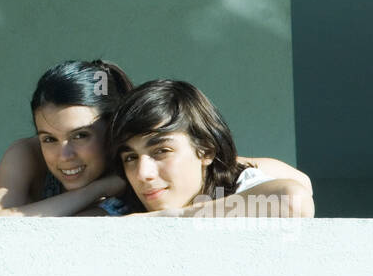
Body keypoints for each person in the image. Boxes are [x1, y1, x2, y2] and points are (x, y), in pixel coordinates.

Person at [0, 60, 310, 216]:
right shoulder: (29, 155)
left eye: (81, 135)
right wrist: (104, 189)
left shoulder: (215, 171)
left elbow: (295, 193)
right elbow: (1, 227)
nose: (64, 154)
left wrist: (167, 218)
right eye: (49, 138)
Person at [108, 79, 314, 217]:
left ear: (206, 151)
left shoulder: (239, 187)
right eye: (131, 158)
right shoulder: (127, 207)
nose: (143, 174)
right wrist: (98, 188)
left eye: (161, 151)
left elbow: (293, 201)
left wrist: (167, 220)